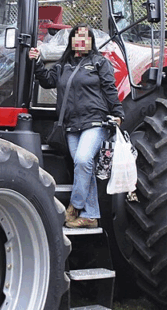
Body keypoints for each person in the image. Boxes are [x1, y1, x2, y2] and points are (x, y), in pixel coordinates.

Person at [28, 24, 125, 228]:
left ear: (90, 42)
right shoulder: (63, 65)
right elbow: (47, 81)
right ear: (72, 41)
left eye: (85, 37)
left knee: (82, 160)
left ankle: (74, 205)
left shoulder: (99, 63)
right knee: (84, 166)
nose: (81, 41)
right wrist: (37, 61)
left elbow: (110, 89)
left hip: (94, 121)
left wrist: (118, 113)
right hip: (71, 125)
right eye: (77, 37)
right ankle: (90, 215)